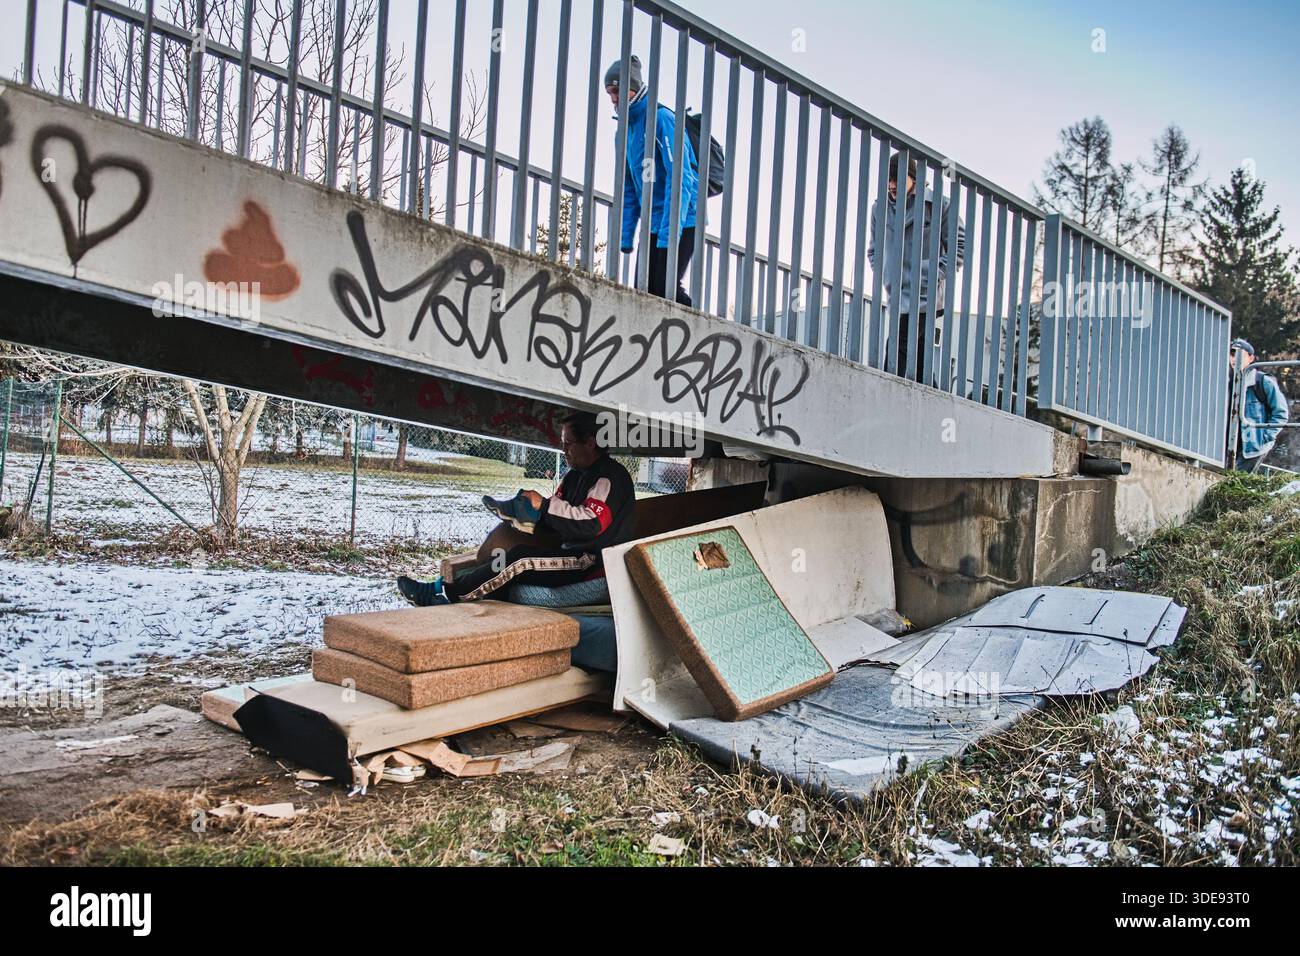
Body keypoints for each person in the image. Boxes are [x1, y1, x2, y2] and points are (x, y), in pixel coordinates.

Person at [396, 412, 636, 605]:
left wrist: (543, 504)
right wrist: (532, 513)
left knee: (518, 559)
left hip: (591, 561)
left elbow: (591, 523)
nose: (564, 450)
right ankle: (446, 592)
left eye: (568, 443)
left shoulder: (609, 476)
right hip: (571, 552)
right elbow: (557, 514)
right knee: (511, 548)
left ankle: (445, 595)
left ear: (591, 443)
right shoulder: (574, 476)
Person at [605, 55, 699, 306]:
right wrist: (626, 235)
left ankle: (698, 334)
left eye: (617, 91)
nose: (613, 98)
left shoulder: (662, 119)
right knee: (644, 291)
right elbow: (628, 187)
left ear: (633, 87)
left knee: (665, 287)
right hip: (653, 220)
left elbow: (681, 178)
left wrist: (671, 230)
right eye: (609, 93)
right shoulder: (625, 131)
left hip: (684, 217)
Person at [867, 154, 965, 386]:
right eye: (889, 179)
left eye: (898, 179)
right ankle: (933, 404)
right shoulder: (879, 208)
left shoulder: (940, 205)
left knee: (898, 351)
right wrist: (886, 273)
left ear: (914, 178)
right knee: (918, 361)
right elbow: (874, 250)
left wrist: (935, 274)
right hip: (897, 293)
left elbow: (959, 247)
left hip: (926, 294)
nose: (892, 185)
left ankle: (885, 397)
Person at [1228, 338, 1289, 472]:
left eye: (1239, 355)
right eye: (1232, 354)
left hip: (1253, 445)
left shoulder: (1263, 382)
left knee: (1235, 481)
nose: (1234, 359)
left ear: (1251, 358)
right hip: (1229, 444)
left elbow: (1281, 413)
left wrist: (1265, 436)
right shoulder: (1227, 382)